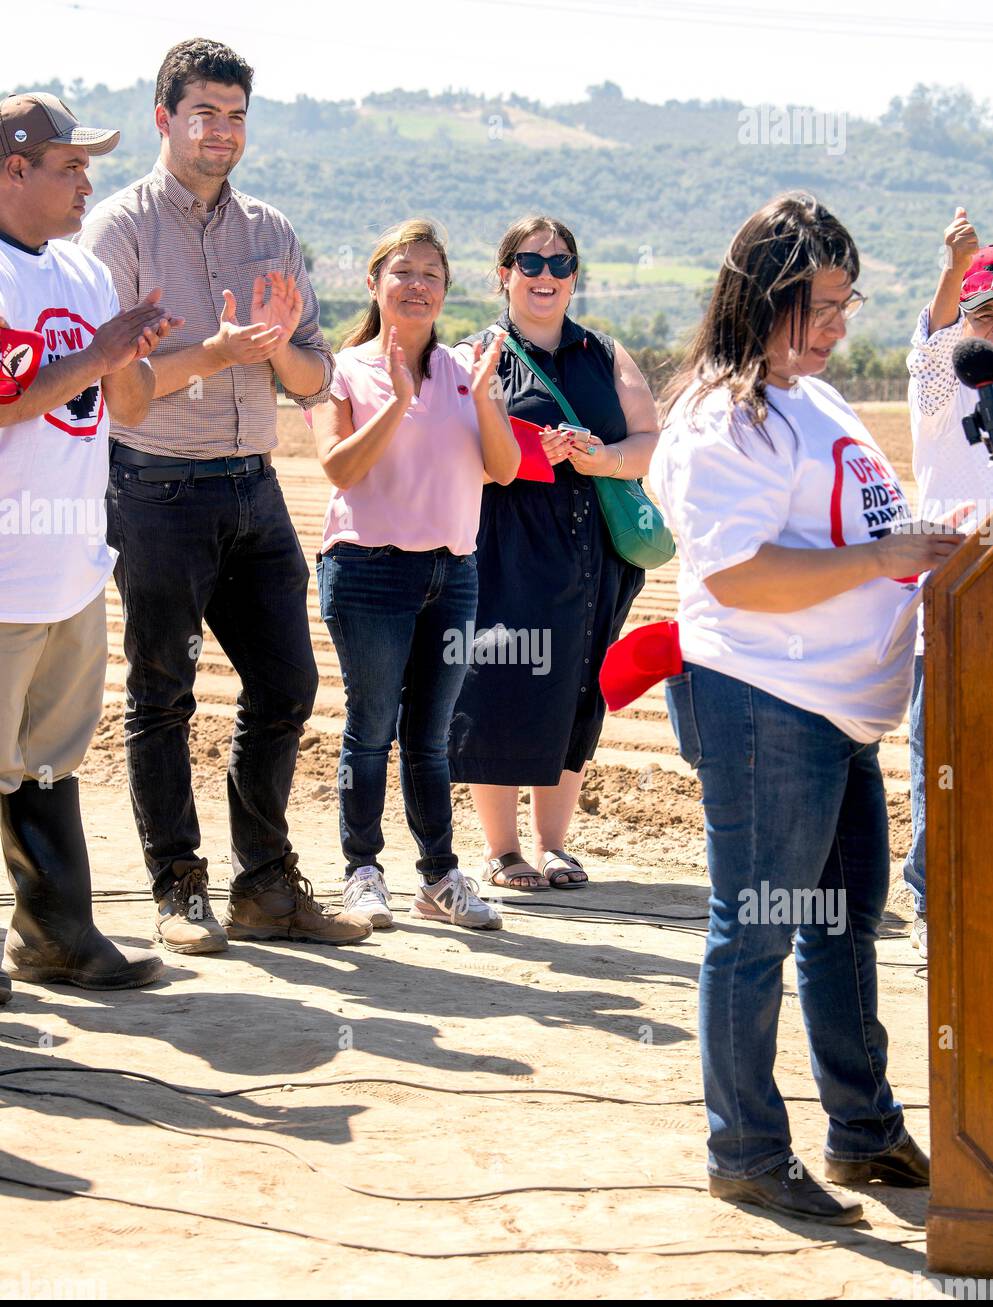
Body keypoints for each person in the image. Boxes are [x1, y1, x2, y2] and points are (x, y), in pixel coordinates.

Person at [651, 191, 962, 1224]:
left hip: (838, 714)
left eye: (847, 302)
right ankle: (744, 1148)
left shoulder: (816, 401)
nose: (837, 325)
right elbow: (736, 573)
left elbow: (864, 521)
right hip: (764, 705)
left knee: (840, 927)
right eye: (820, 305)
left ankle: (862, 1133)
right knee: (758, 928)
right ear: (765, 294)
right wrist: (882, 556)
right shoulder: (720, 415)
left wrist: (932, 531)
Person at [77, 38, 373, 952]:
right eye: (204, 113)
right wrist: (215, 353)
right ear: (164, 118)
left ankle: (265, 886)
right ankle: (177, 887)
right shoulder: (118, 231)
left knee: (287, 685)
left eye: (236, 115)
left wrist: (277, 345)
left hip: (254, 486)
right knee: (161, 692)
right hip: (154, 488)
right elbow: (119, 391)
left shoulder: (271, 232)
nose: (222, 132)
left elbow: (316, 378)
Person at [0, 91, 181, 1004]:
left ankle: (56, 937)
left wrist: (133, 352)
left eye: (88, 165)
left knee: (47, 759)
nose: (86, 182)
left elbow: (132, 405)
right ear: (12, 170)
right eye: (69, 165)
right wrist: (100, 352)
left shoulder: (82, 273)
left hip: (68, 564)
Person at [311, 221, 519, 931]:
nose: (418, 283)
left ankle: (440, 877)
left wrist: (488, 400)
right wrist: (397, 401)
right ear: (374, 285)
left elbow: (504, 469)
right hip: (367, 570)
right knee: (370, 728)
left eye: (431, 272)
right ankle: (362, 871)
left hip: (451, 573)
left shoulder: (467, 368)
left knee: (430, 737)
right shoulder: (344, 370)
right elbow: (337, 467)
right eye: (403, 270)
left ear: (444, 291)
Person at [448, 216, 659, 891]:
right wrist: (524, 457)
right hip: (504, 545)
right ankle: (502, 850)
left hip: (593, 549)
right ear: (503, 274)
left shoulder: (605, 353)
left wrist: (601, 459)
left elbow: (649, 441)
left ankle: (552, 844)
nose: (545, 276)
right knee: (500, 686)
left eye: (559, 263)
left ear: (574, 275)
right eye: (530, 262)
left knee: (576, 687)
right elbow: (449, 457)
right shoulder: (471, 354)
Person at [903, 207, 993, 963]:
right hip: (949, 602)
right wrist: (951, 265)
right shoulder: (942, 394)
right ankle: (933, 892)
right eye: (982, 312)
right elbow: (931, 348)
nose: (991, 328)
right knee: (942, 752)